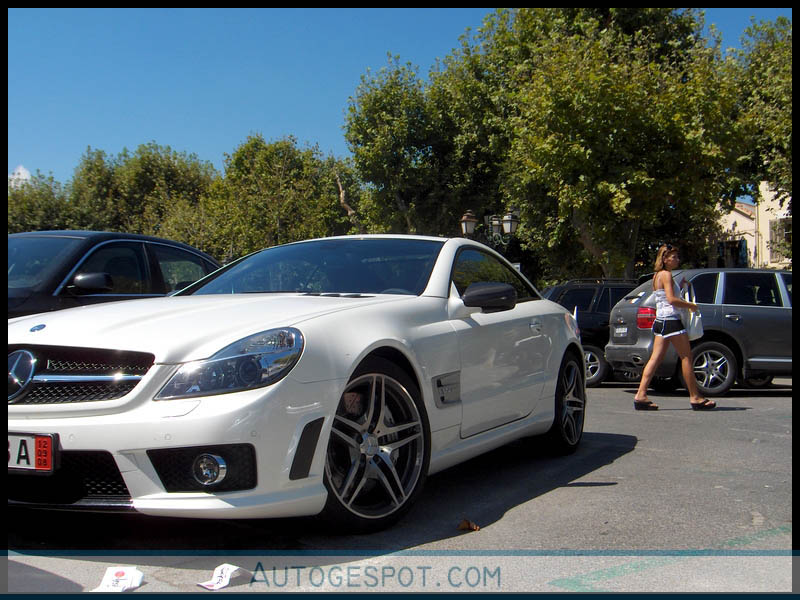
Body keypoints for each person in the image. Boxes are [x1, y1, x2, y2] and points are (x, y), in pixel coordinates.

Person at [633, 243, 716, 411]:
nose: (677, 260)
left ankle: (641, 394)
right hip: (671, 320)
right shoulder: (666, 275)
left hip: (660, 321)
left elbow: (665, 296)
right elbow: (671, 300)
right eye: (674, 257)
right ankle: (695, 397)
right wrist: (691, 306)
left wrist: (681, 285)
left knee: (655, 359)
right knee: (686, 357)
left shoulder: (657, 276)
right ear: (665, 259)